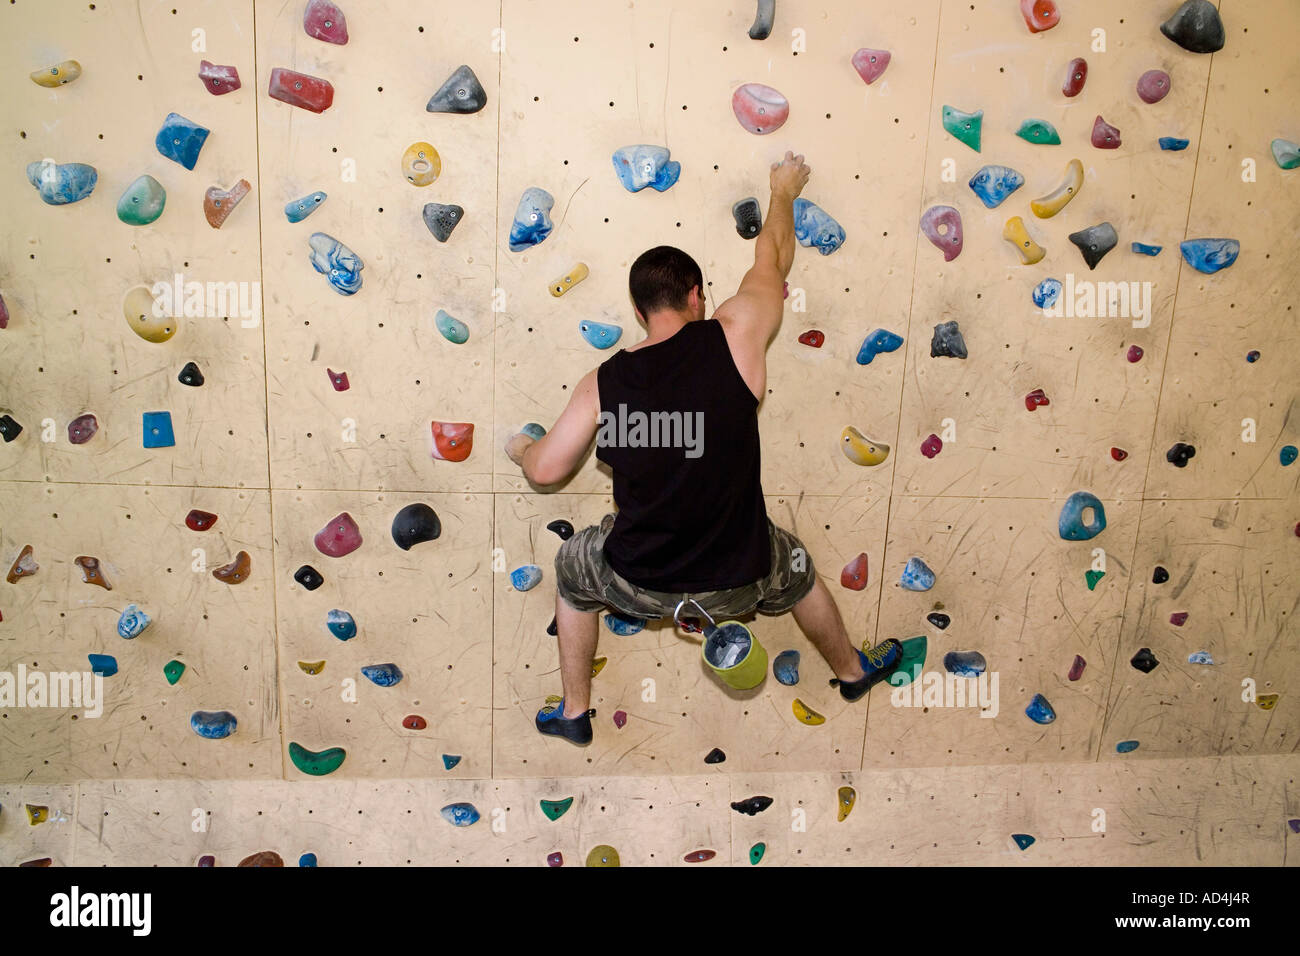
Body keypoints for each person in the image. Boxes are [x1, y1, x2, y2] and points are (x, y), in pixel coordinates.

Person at [507, 151, 902, 745]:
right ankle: (852, 671)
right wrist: (782, 191)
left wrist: (520, 448)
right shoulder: (737, 332)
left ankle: (573, 712)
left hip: (637, 580)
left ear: (638, 312)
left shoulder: (604, 382)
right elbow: (771, 257)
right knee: (796, 568)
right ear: (697, 295)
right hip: (741, 577)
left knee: (572, 571)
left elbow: (545, 471)